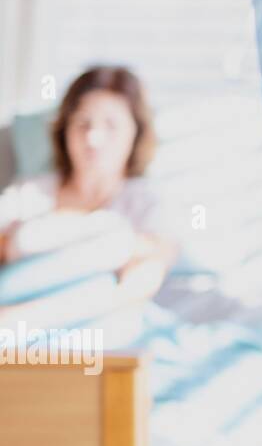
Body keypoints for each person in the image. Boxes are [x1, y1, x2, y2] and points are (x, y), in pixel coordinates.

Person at [0, 66, 177, 308]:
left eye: (111, 126)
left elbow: (151, 267)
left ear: (136, 134)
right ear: (65, 130)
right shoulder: (30, 194)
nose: (93, 139)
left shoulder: (146, 202)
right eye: (83, 123)